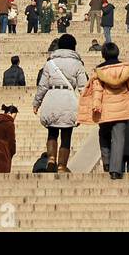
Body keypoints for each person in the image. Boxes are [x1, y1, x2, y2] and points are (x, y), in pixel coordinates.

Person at [78, 42, 129, 179]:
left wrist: (96, 105)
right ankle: (115, 170)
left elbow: (97, 90)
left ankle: (107, 162)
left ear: (103, 55)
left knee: (103, 135)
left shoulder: (99, 71)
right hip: (123, 111)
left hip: (105, 111)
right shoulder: (126, 69)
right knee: (118, 138)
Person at [33, 34, 88, 174]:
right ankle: (62, 166)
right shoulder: (78, 64)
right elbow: (83, 87)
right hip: (69, 99)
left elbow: (43, 86)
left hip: (52, 97)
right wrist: (87, 106)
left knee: (52, 132)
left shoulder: (50, 63)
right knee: (66, 135)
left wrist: (36, 103)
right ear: (73, 47)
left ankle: (51, 159)